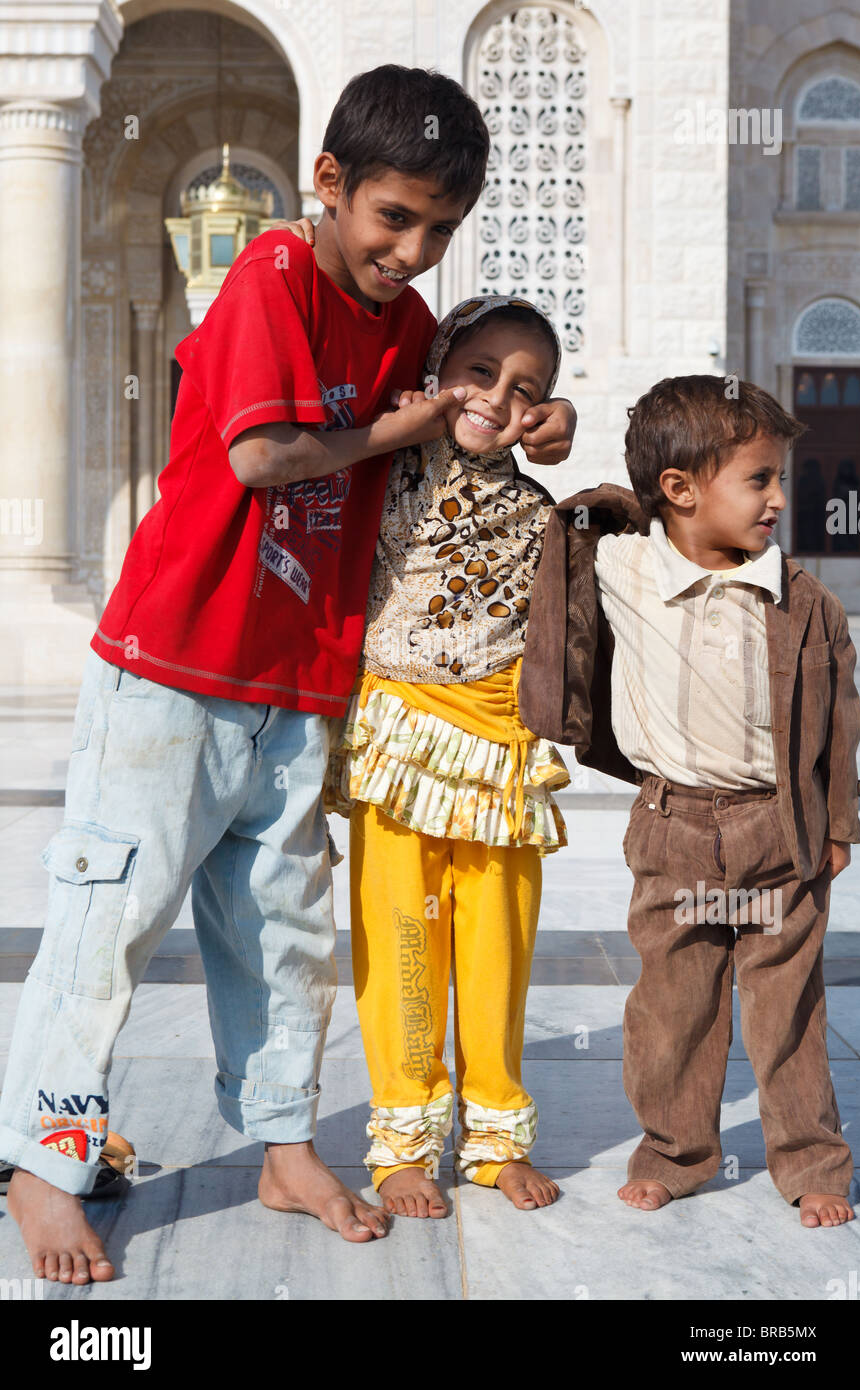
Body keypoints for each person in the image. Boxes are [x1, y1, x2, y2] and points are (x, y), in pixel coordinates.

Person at [0, 65, 577, 1285]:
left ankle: (277, 1142)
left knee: (282, 933)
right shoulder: (273, 272)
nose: (411, 250)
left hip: (300, 680)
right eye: (393, 217)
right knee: (113, 915)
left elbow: (468, 408)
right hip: (176, 658)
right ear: (329, 185)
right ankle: (44, 1165)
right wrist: (408, 426)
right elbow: (262, 454)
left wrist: (538, 415)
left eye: (438, 229)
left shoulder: (411, 330)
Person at [519, 375, 860, 1229]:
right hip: (672, 826)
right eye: (759, 480)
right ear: (679, 491)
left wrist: (839, 823)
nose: (781, 498)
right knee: (672, 1008)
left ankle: (811, 1159)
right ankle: (675, 1155)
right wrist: (552, 420)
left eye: (779, 478)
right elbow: (564, 517)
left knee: (788, 1007)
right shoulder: (622, 564)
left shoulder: (802, 601)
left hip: (776, 827)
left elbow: (840, 720)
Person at [326, 295, 570, 1218]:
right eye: (480, 372)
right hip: (397, 734)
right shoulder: (386, 461)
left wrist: (570, 424)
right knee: (401, 942)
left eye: (527, 390)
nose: (499, 399)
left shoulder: (538, 511)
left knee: (499, 940)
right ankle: (403, 1143)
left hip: (501, 743)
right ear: (437, 370)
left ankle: (497, 1133)